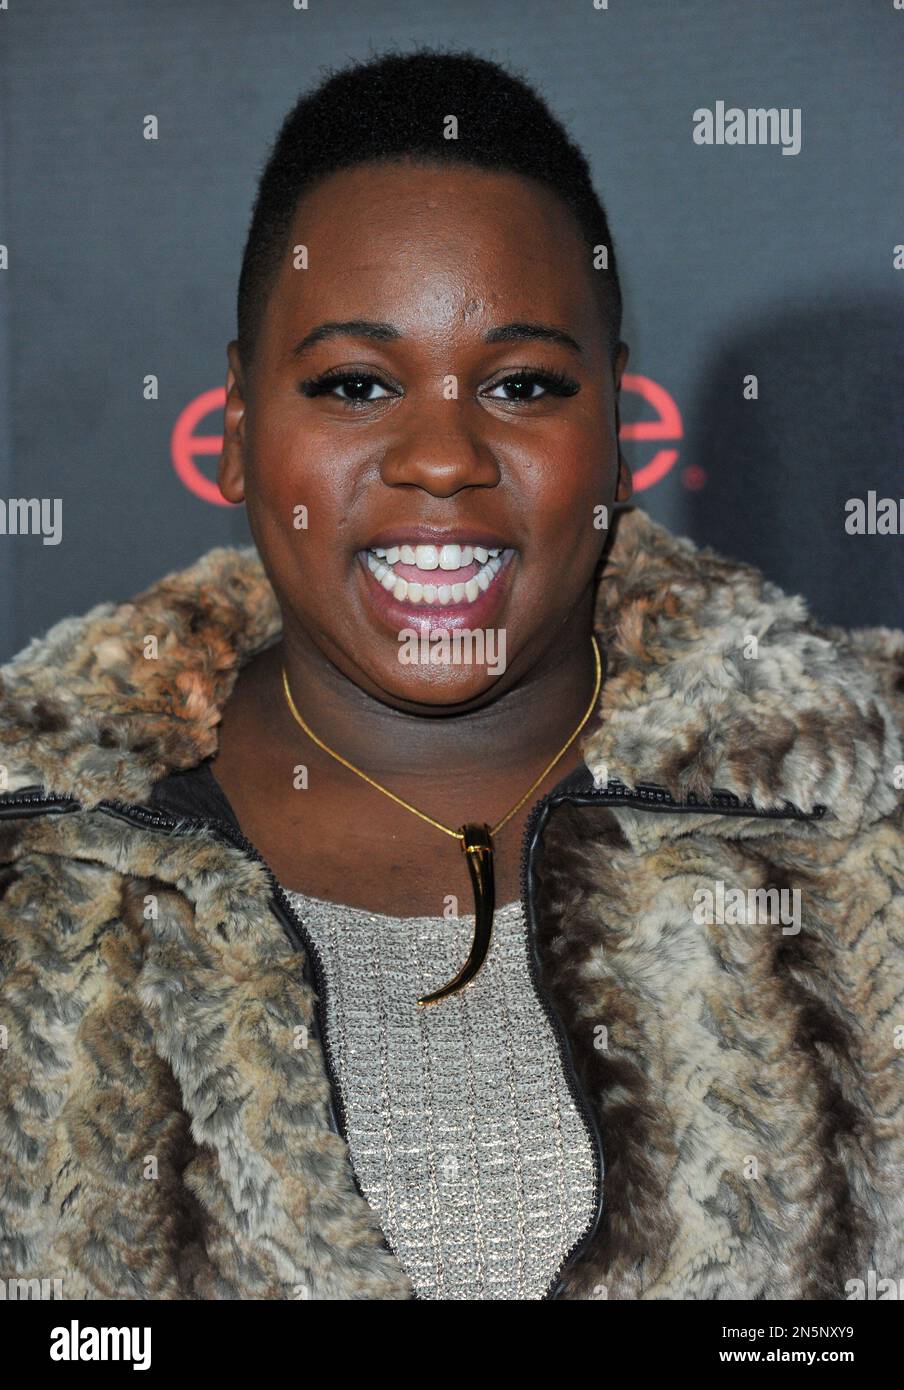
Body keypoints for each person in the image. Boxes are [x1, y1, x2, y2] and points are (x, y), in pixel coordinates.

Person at [1, 47, 901, 1303]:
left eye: (523, 384)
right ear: (239, 430)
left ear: (618, 434)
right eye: (354, 383)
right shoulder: (32, 857)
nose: (440, 456)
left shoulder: (867, 816)